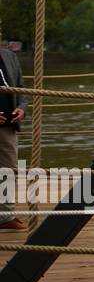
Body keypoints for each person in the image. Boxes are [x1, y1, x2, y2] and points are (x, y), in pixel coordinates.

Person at [0, 44, 28, 230]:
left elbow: (21, 89)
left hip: (7, 125)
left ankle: (5, 216)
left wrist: (21, 109)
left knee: (9, 168)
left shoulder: (9, 56)